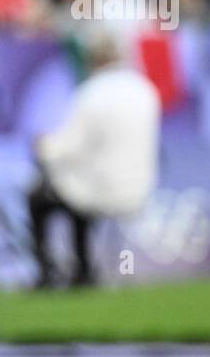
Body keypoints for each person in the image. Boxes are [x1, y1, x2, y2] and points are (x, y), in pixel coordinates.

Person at [29, 29, 162, 287]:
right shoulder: (145, 89)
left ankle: (50, 273)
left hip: (99, 190)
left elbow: (68, 147)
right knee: (75, 192)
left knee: (42, 197)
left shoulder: (91, 93)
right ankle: (83, 270)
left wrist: (42, 147)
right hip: (141, 189)